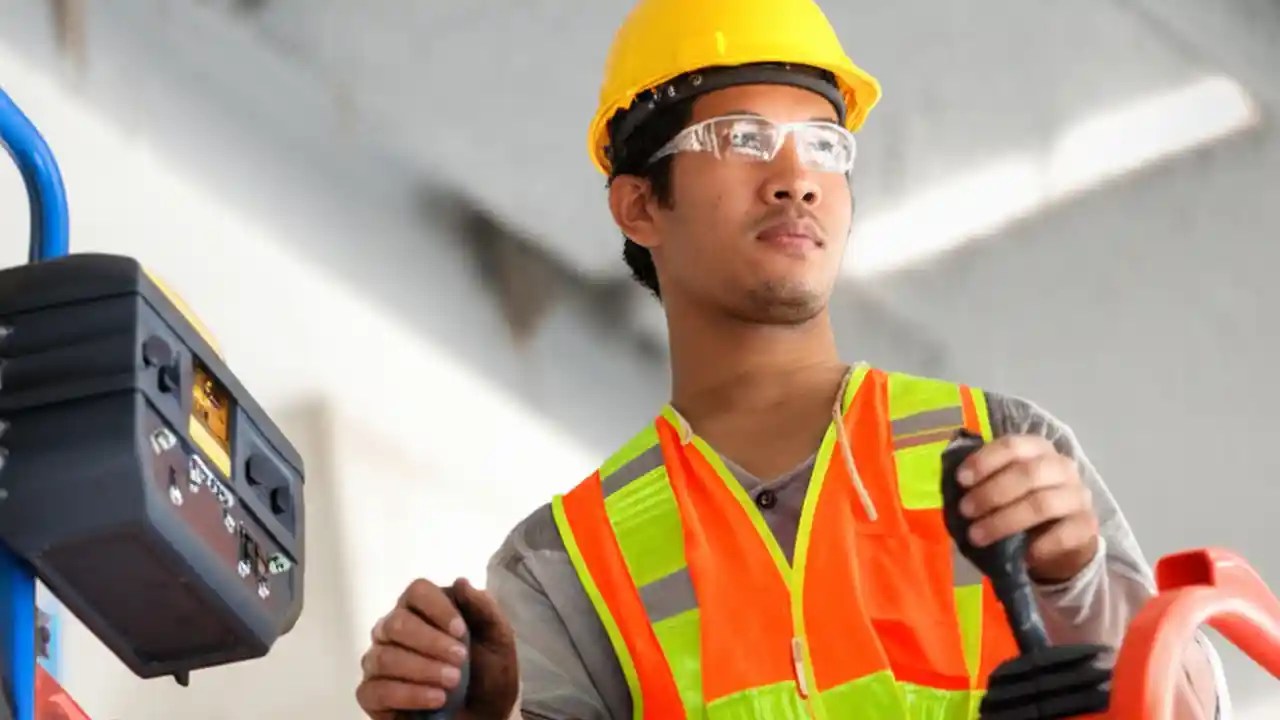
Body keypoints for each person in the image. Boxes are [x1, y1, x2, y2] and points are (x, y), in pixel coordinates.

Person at [355, 1, 1229, 718]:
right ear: (637, 205)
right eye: (739, 139)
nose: (796, 178)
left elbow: (1191, 710)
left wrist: (1074, 585)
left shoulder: (1000, 444)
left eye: (824, 146)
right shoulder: (564, 568)